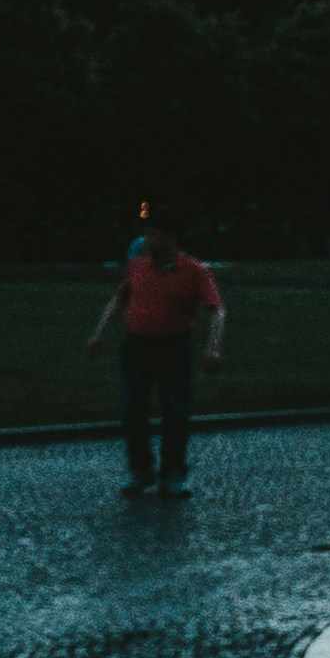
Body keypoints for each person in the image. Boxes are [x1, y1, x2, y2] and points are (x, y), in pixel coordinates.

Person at [107, 206, 226, 494]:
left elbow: (217, 310)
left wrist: (213, 348)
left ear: (170, 238)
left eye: (153, 234)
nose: (146, 240)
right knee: (132, 409)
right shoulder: (137, 266)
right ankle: (141, 470)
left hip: (174, 349)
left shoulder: (195, 271)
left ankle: (172, 472)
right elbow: (119, 298)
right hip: (136, 347)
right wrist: (99, 333)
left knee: (176, 411)